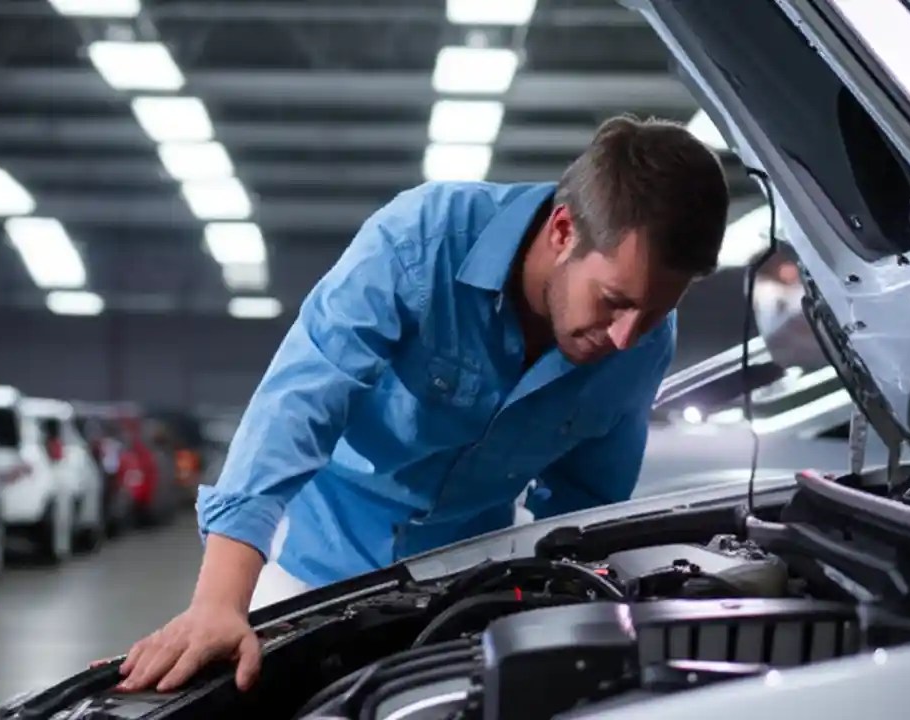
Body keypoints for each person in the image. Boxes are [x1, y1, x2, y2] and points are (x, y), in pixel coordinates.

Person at [114, 114, 730, 693]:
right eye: (615, 301)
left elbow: (583, 506)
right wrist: (220, 603)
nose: (627, 336)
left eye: (655, 312)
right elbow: (297, 406)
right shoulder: (420, 242)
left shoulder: (643, 345)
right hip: (308, 574)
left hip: (460, 592)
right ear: (563, 230)